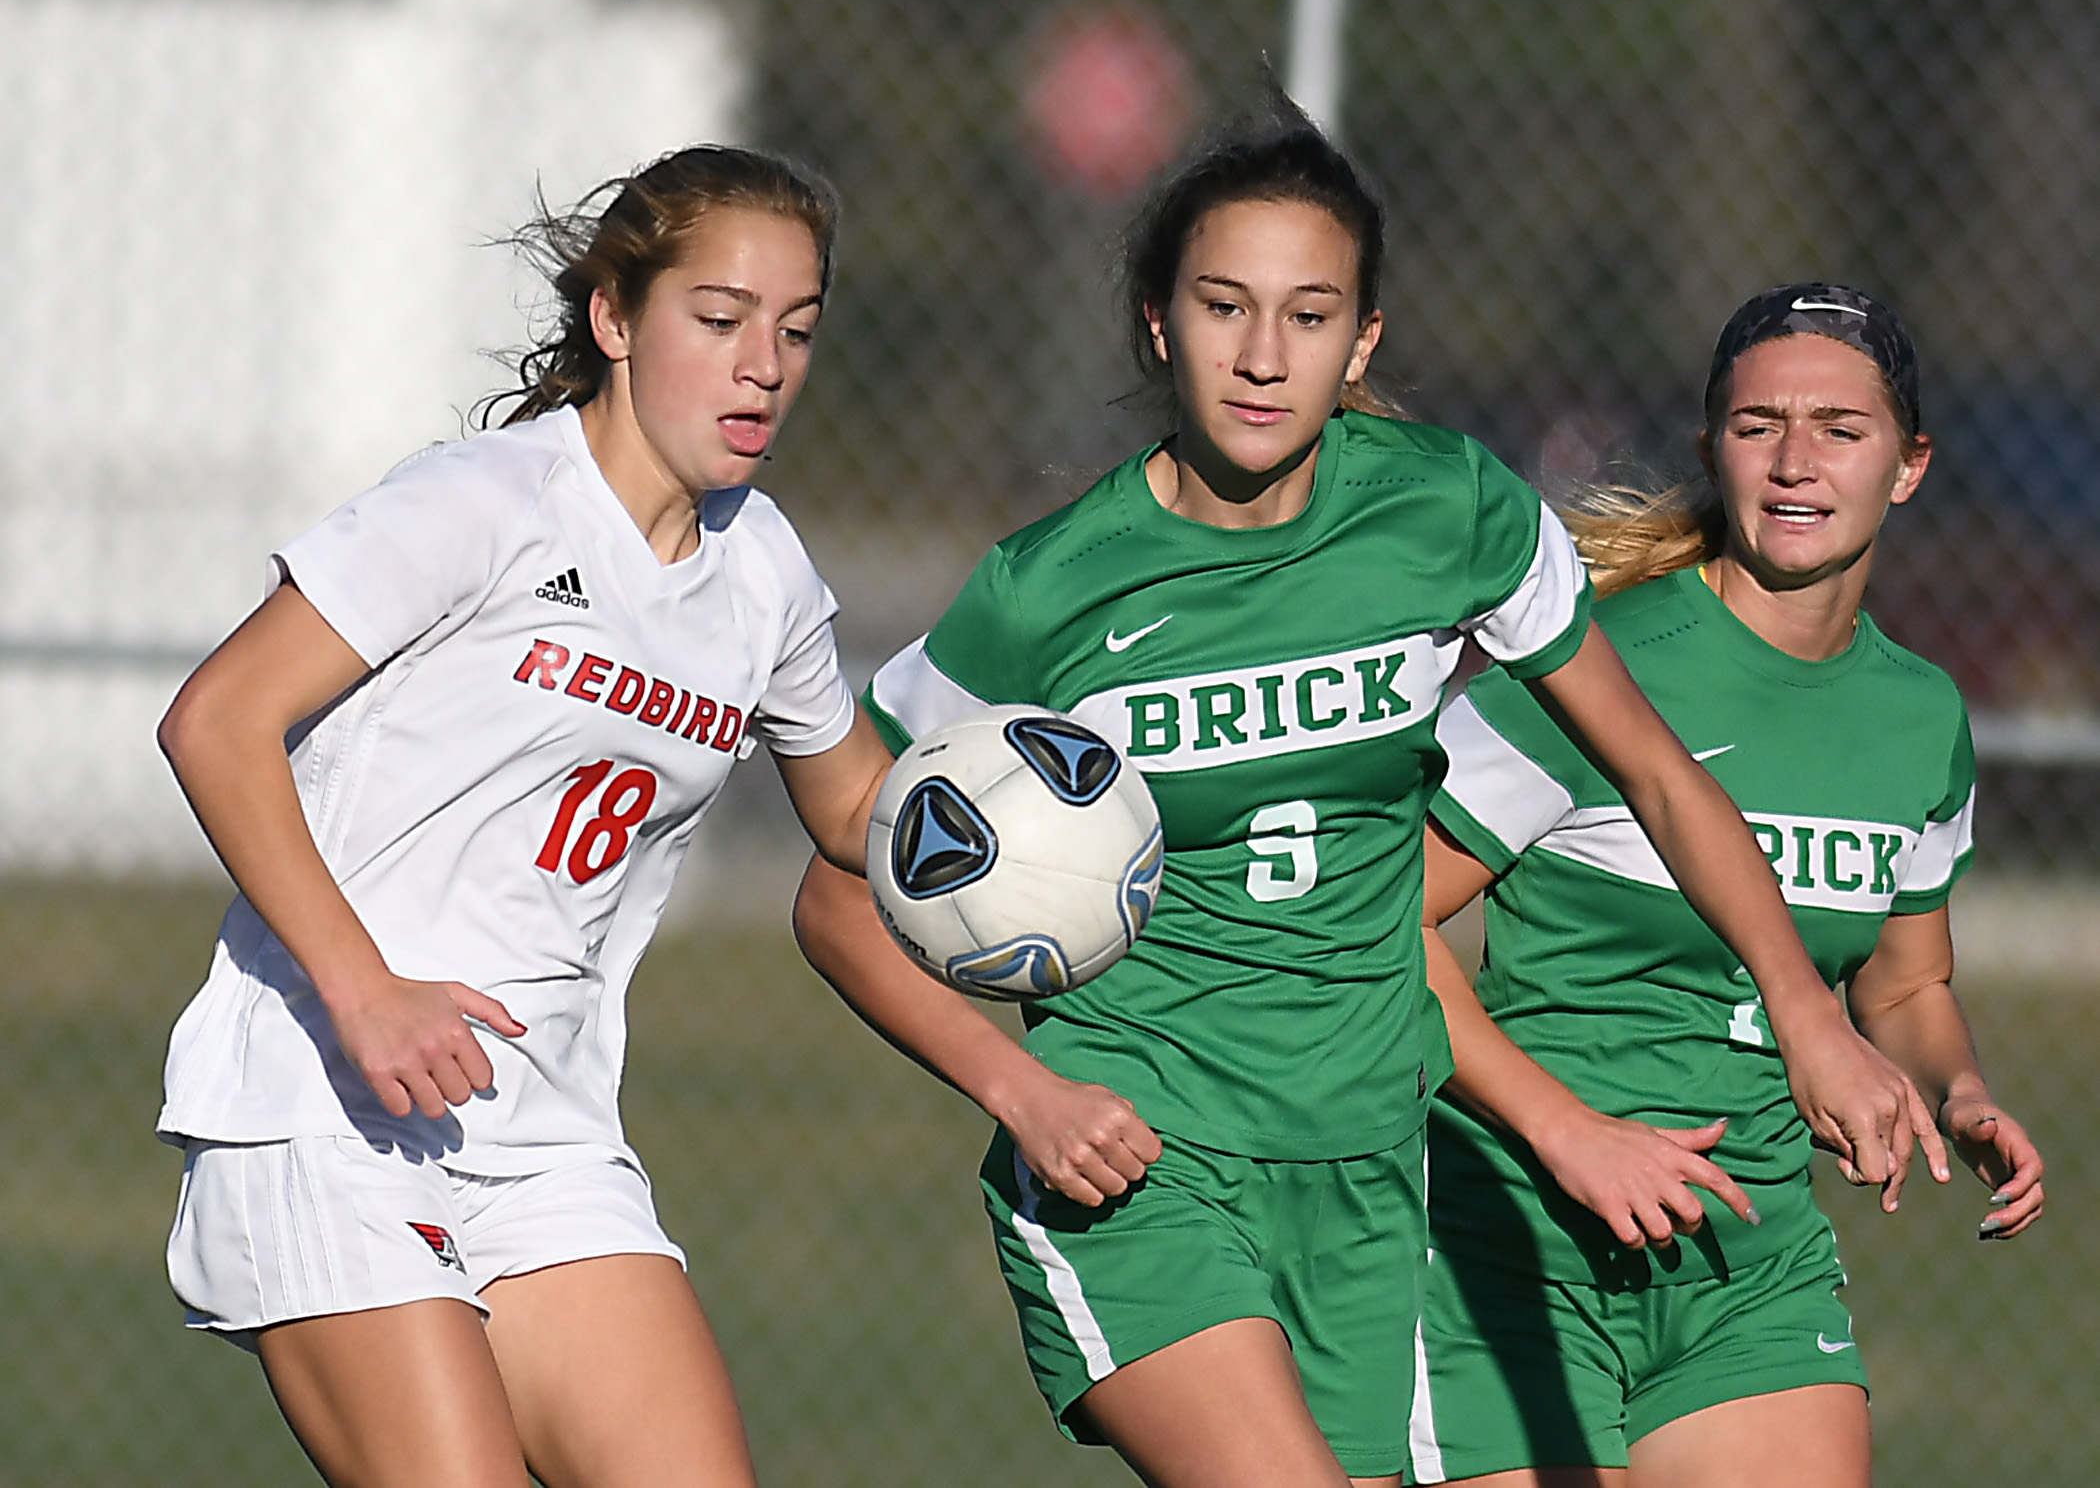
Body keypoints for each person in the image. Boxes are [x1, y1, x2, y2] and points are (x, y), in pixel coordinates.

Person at [792, 108, 1942, 1488]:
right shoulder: (1049, 588)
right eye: (1224, 307)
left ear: (1365, 341)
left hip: (1371, 1177)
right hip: (1148, 1159)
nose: (1265, 355)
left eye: (1310, 313)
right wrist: (1022, 1088)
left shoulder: (1451, 512)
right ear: (1160, 324)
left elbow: (1654, 771)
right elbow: (838, 888)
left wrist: (1812, 1015)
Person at [154, 145, 893, 1488]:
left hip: (540, 1131)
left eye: (796, 331)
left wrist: (1075, 817)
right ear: (615, 319)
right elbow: (216, 722)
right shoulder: (484, 504)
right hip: (324, 1104)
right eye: (719, 321)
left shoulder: (761, 567)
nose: (763, 366)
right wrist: (362, 990)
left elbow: (863, 815)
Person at [1405, 282, 2047, 1488]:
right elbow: (1384, 931)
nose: (1797, 462)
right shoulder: (1589, 672)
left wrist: (1956, 1090)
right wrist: (1572, 1133)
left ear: (1909, 467)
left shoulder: (1921, 717)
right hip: (1512, 1244)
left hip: (1746, 1270)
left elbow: (1905, 986)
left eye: (1841, 431)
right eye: (1760, 427)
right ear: (1714, 451)